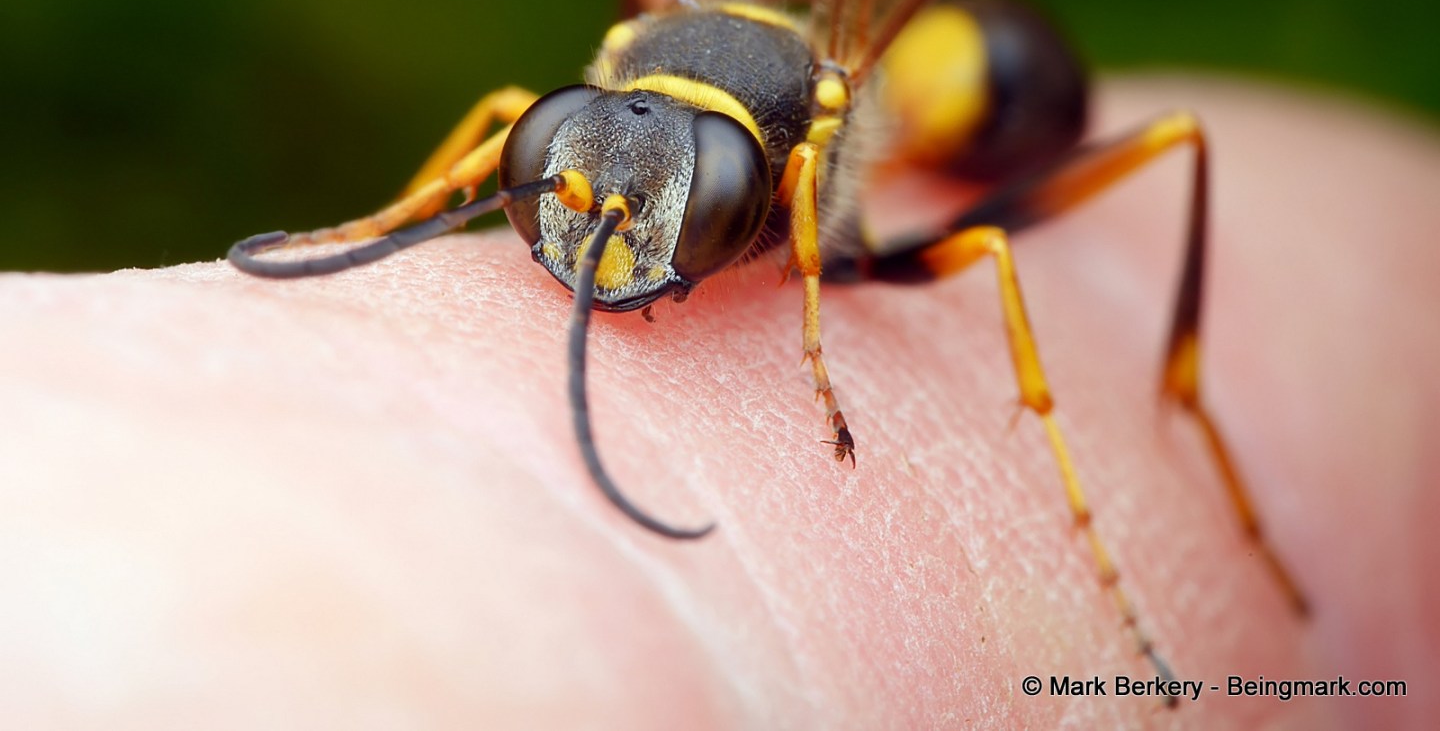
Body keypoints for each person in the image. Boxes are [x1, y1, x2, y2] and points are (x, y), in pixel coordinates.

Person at [1, 79, 1434, 728]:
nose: (610, 226)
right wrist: (393, 227)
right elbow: (519, 116)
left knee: (1125, 166)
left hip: (993, 86)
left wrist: (811, 330)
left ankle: (1184, 405)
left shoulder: (824, 158)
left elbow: (952, 232)